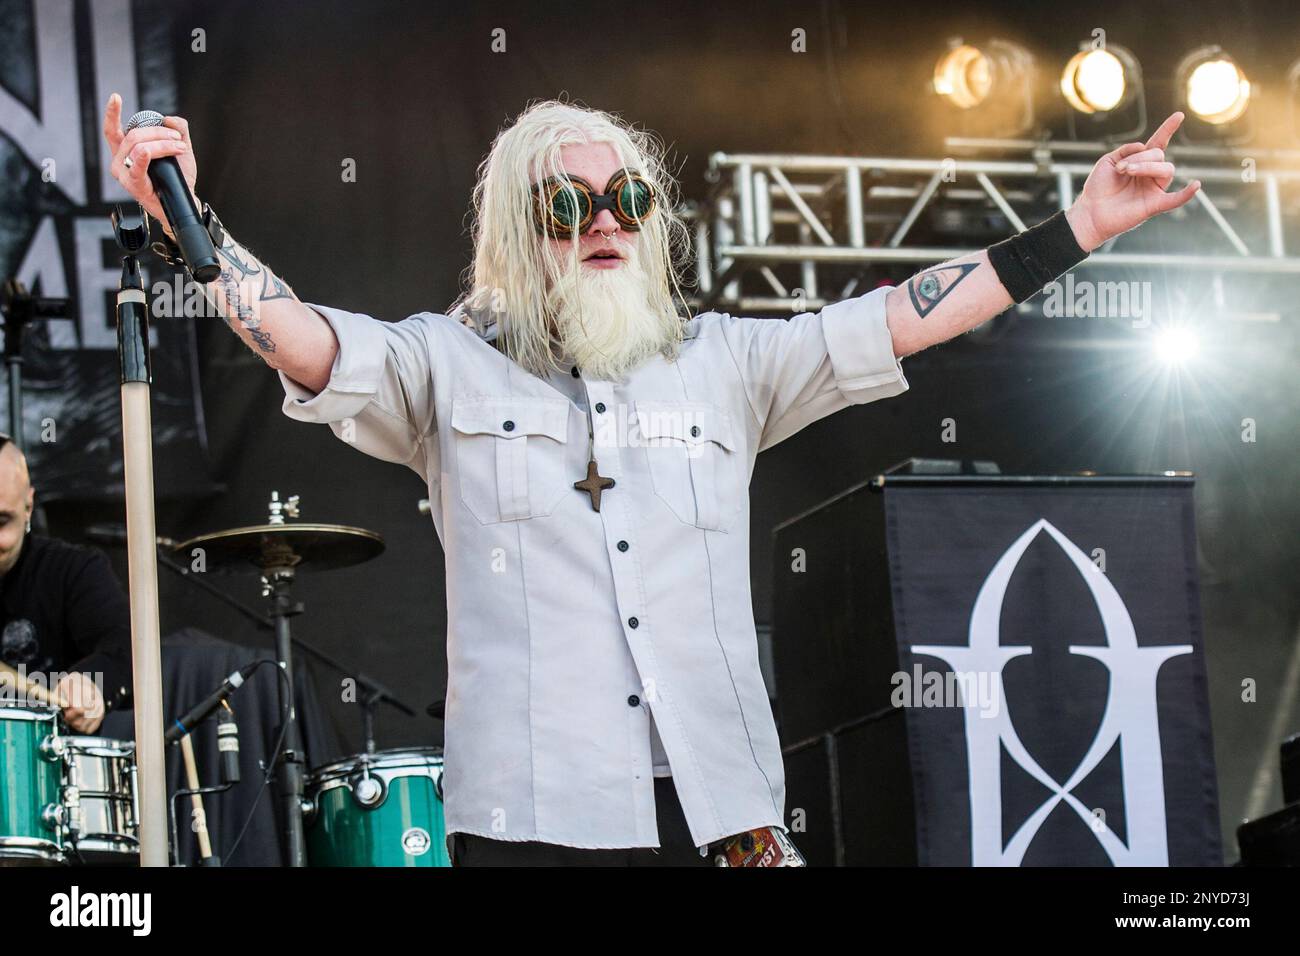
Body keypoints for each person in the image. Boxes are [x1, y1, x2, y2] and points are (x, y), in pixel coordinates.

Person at [103, 93, 1199, 865]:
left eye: (624, 198)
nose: (604, 223)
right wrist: (187, 224)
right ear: (516, 235)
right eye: (567, 206)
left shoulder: (729, 362)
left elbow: (905, 315)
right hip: (531, 813)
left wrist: (1081, 226)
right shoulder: (443, 363)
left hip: (721, 808)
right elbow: (303, 341)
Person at [0, 435, 133, 733]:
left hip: (50, 767)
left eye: (1, 522)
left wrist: (91, 682)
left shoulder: (72, 570)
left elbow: (127, 645)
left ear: (28, 507)